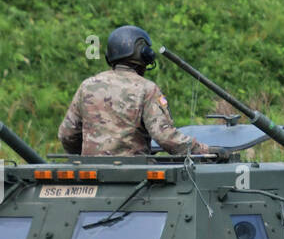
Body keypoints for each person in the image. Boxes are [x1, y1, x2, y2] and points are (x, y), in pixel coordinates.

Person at [58, 25, 223, 157]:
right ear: (145, 55)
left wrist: (85, 156)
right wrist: (204, 150)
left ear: (110, 57)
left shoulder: (88, 86)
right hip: (134, 177)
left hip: (90, 177)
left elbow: (67, 134)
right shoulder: (146, 89)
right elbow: (165, 136)